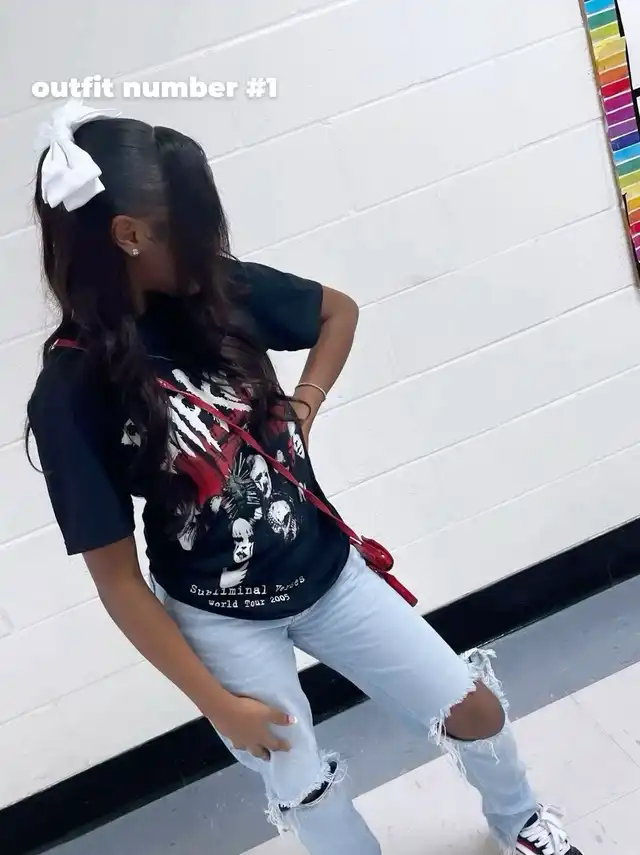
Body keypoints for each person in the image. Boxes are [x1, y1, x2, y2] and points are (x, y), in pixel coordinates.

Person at [26, 99, 581, 855]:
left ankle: (521, 820)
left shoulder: (214, 292)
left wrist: (304, 405)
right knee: (301, 783)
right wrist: (218, 703)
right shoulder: (70, 392)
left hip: (327, 570)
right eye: (191, 226)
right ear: (129, 235)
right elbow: (120, 583)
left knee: (472, 707)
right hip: (220, 618)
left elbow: (336, 313)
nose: (210, 242)